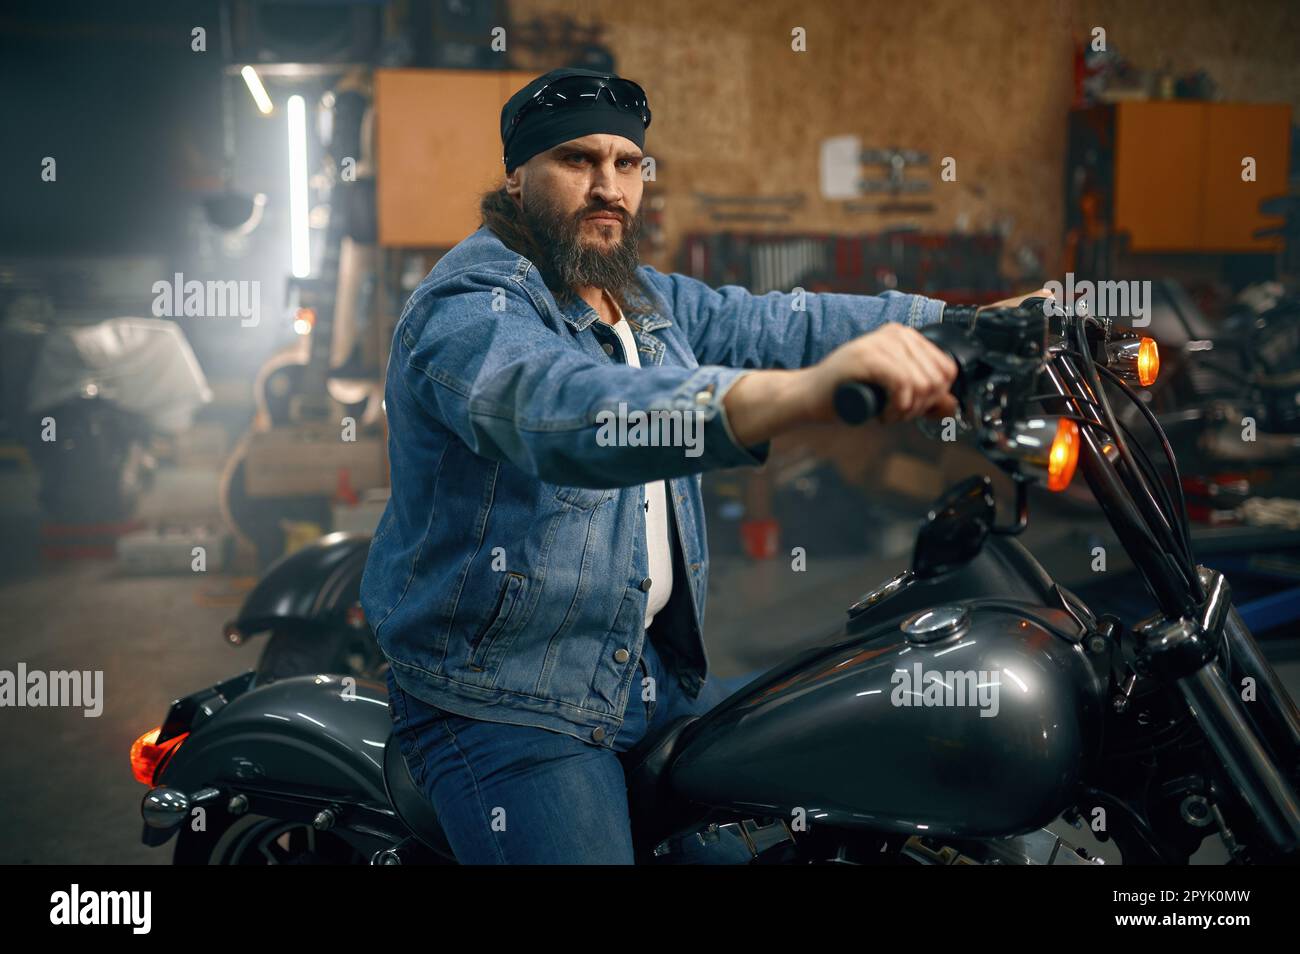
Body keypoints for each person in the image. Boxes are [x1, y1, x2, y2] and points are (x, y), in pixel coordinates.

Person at [361, 67, 1044, 864]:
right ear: (517, 177)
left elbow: (784, 322)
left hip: (647, 677)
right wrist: (803, 394)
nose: (608, 187)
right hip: (507, 700)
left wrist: (972, 326)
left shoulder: (639, 299)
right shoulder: (473, 307)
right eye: (578, 161)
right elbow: (562, 412)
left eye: (627, 164)